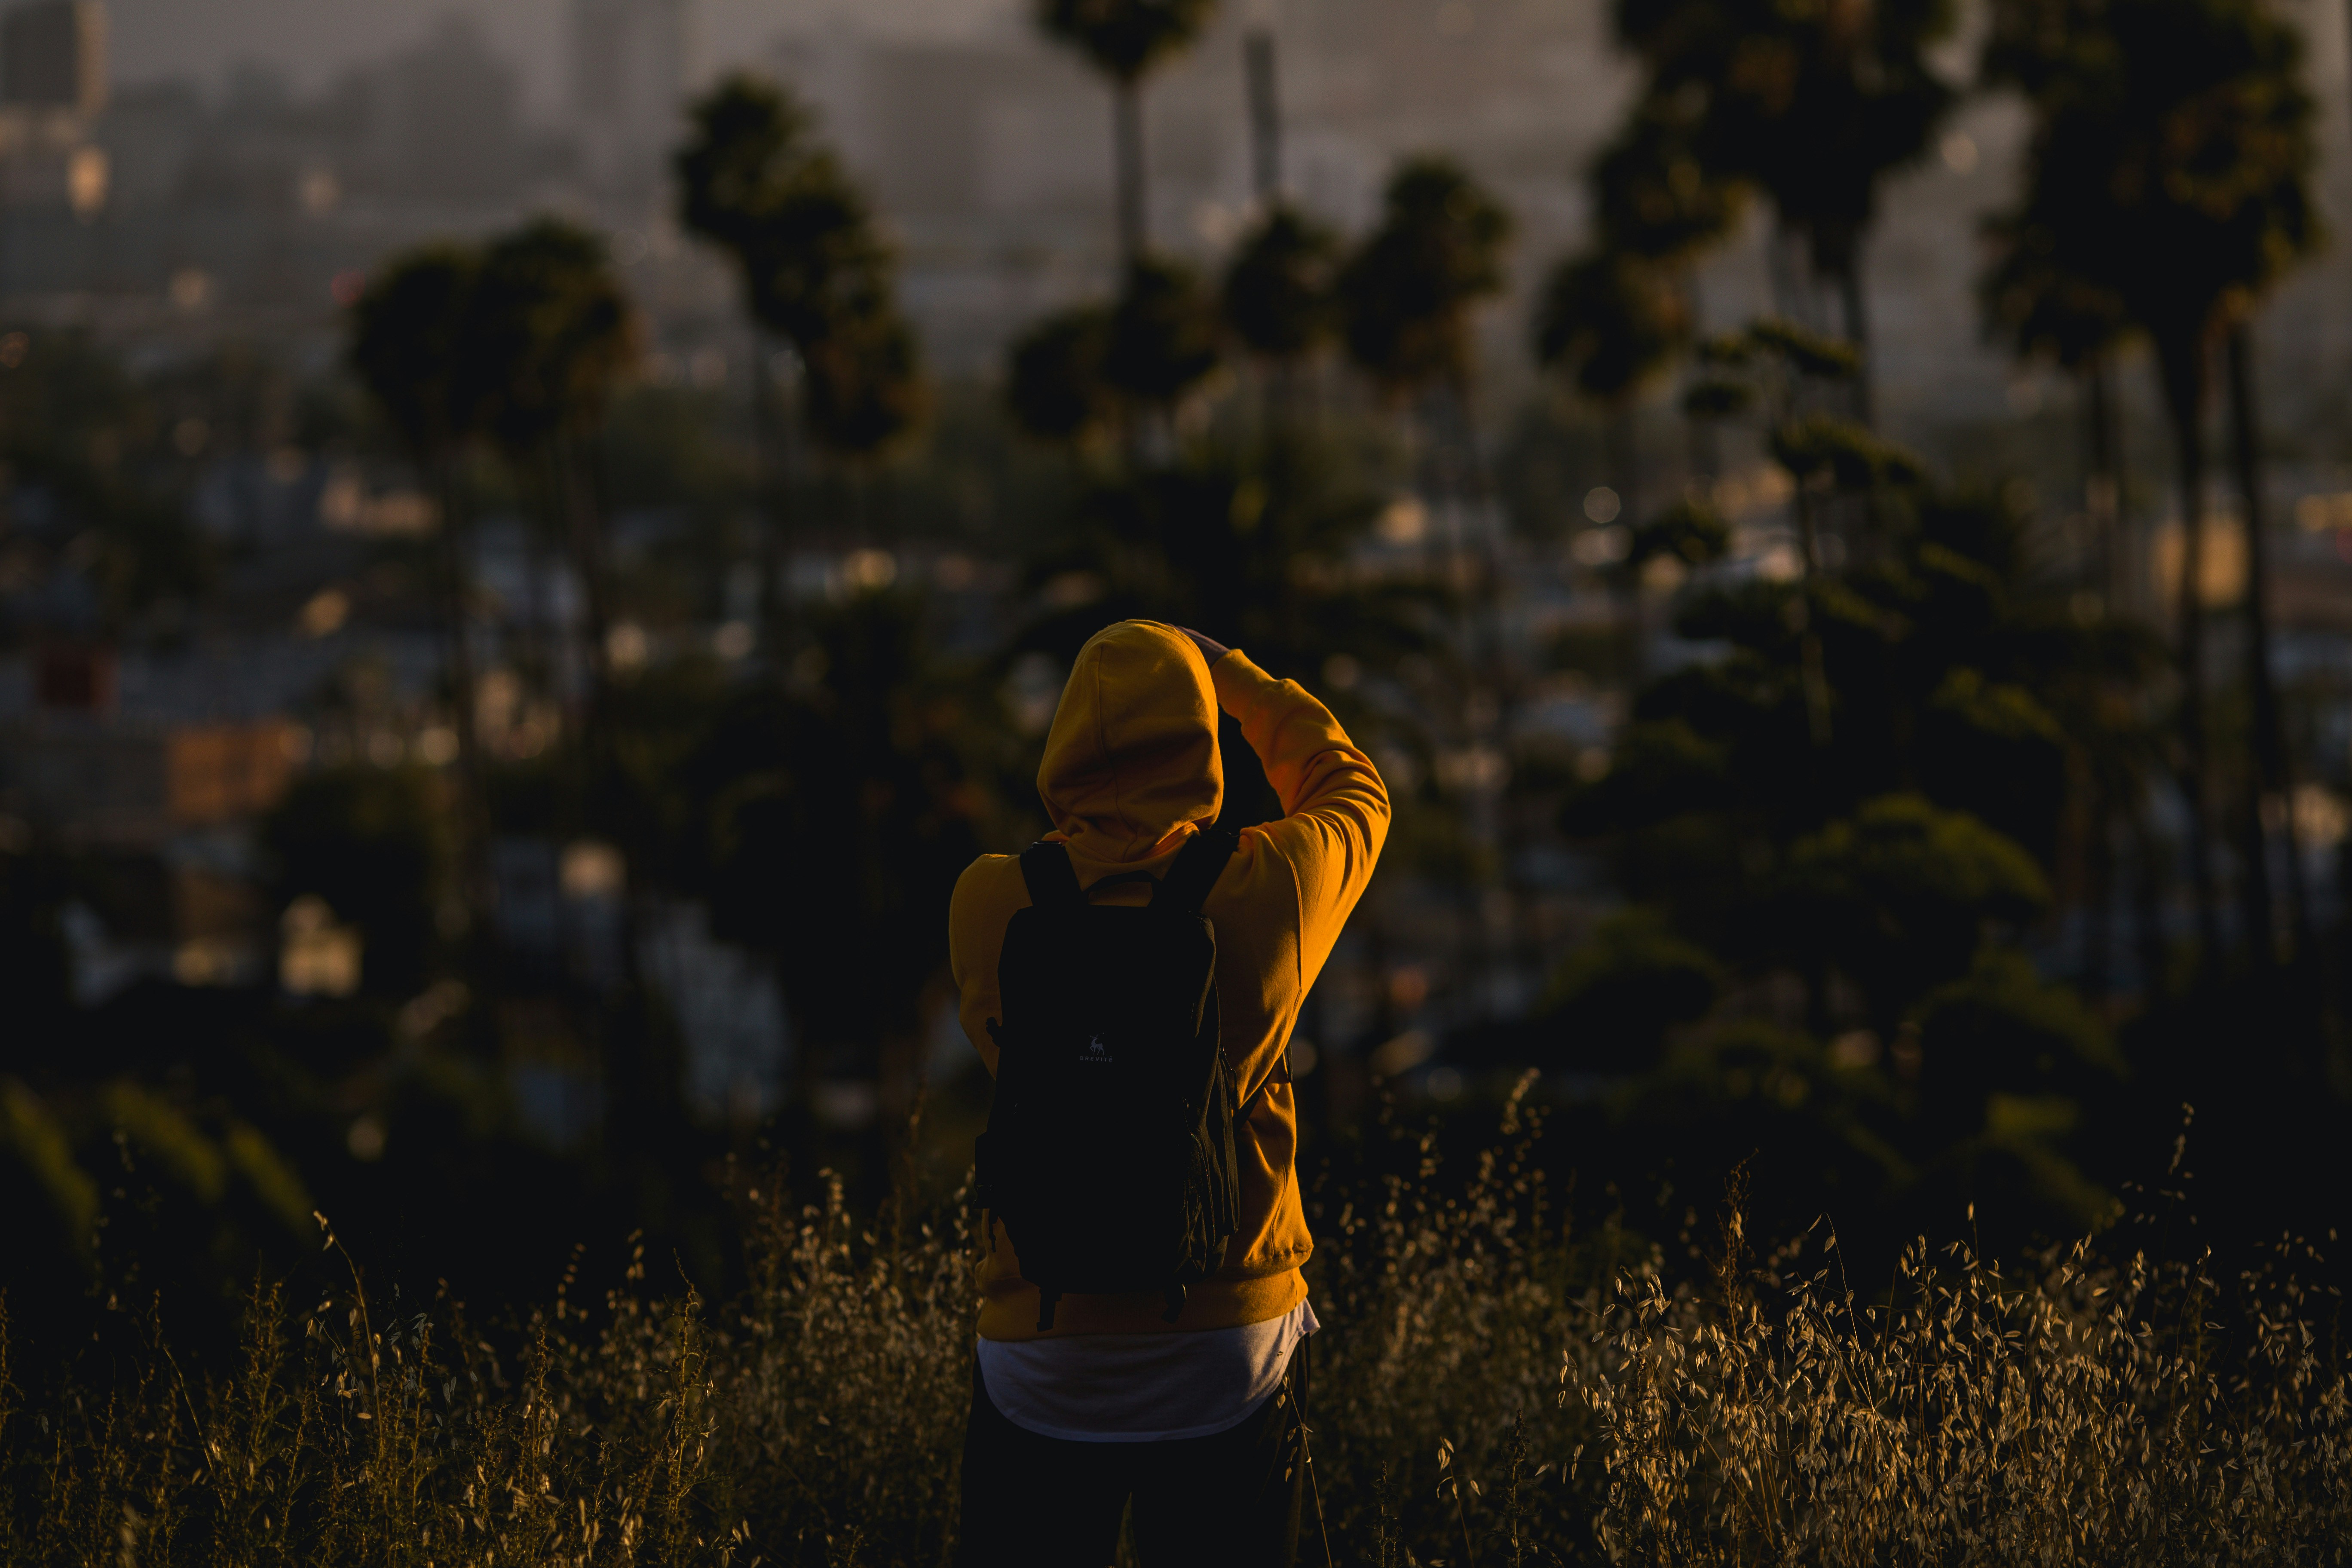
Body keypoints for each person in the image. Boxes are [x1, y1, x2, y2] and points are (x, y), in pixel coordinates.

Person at [949, 619, 1390, 1567]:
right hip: (1227, 1347)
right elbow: (1355, 786)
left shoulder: (989, 902)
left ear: (1066, 738)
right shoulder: (1268, 888)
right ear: (1198, 734)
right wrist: (1232, 672)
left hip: (1042, 1343)